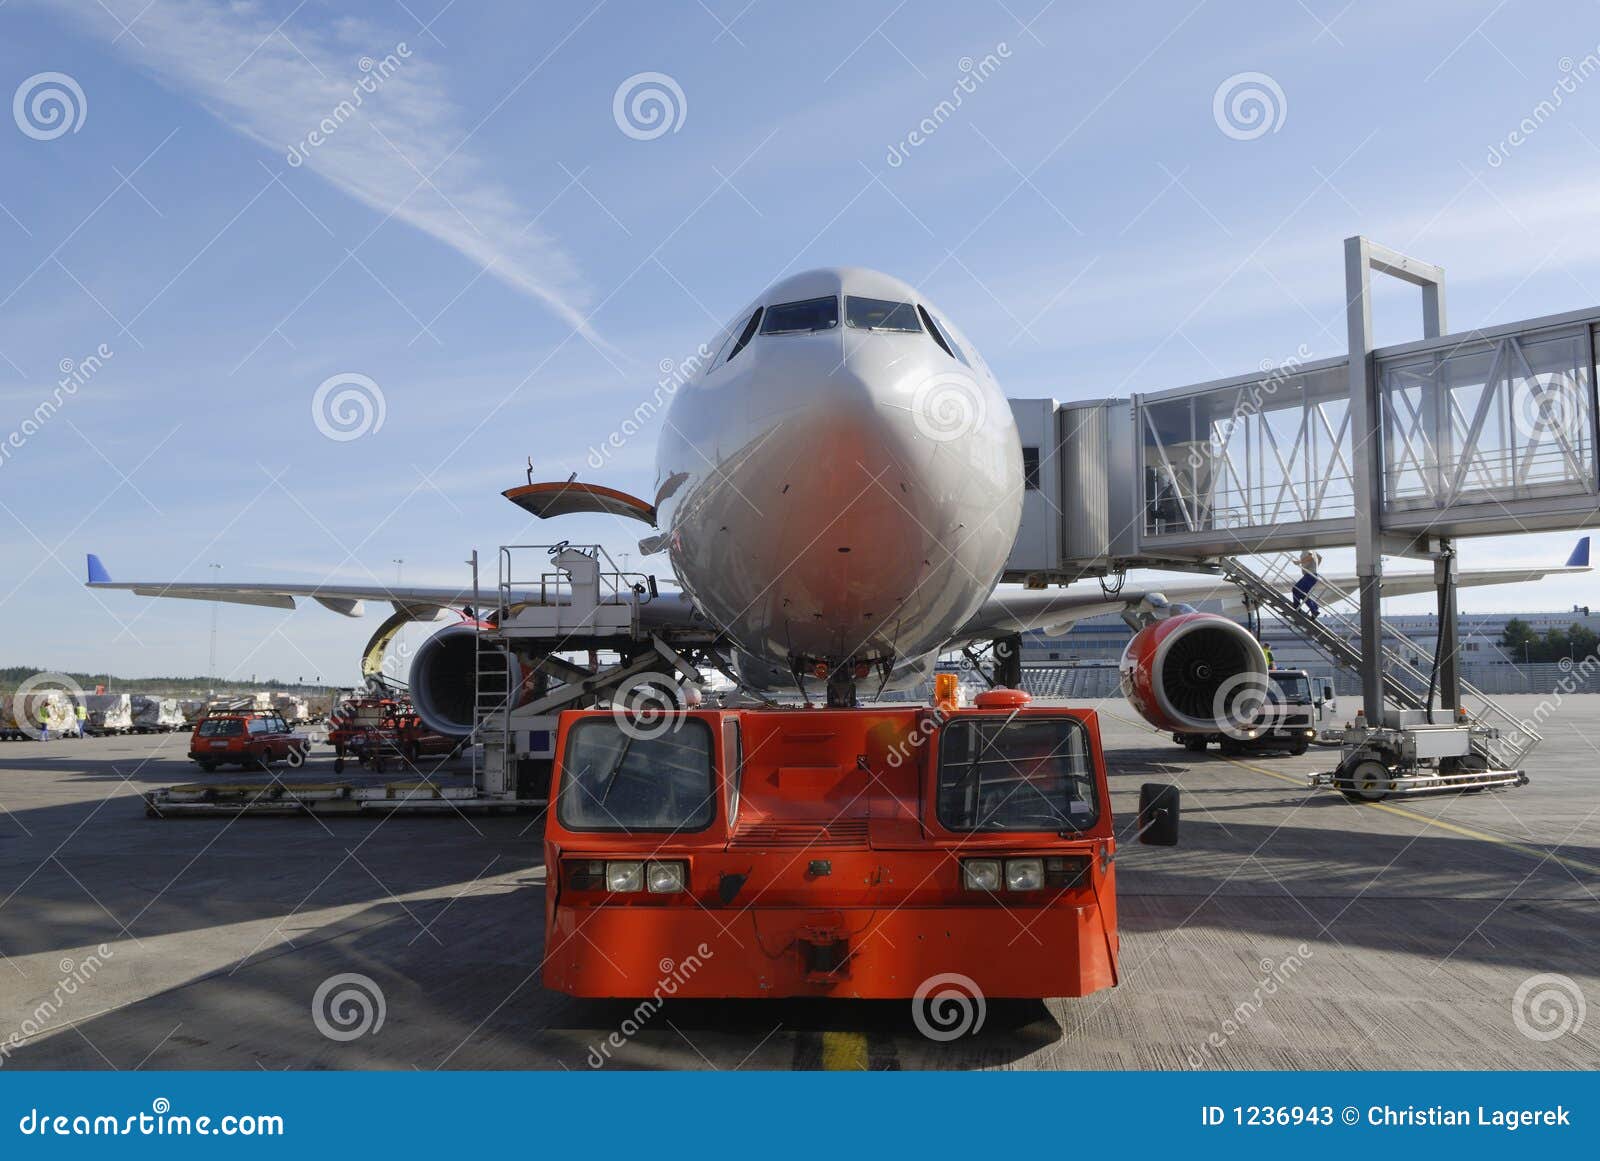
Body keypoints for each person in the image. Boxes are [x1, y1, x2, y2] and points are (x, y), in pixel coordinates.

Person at [1291, 548, 1323, 618]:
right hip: (1312, 575)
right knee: (1303, 594)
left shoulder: (1306, 548)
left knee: (1295, 589)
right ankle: (1314, 610)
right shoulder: (1312, 550)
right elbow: (1320, 558)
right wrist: (1314, 568)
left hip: (1309, 575)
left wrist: (1298, 562)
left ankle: (1297, 607)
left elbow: (1310, 557)